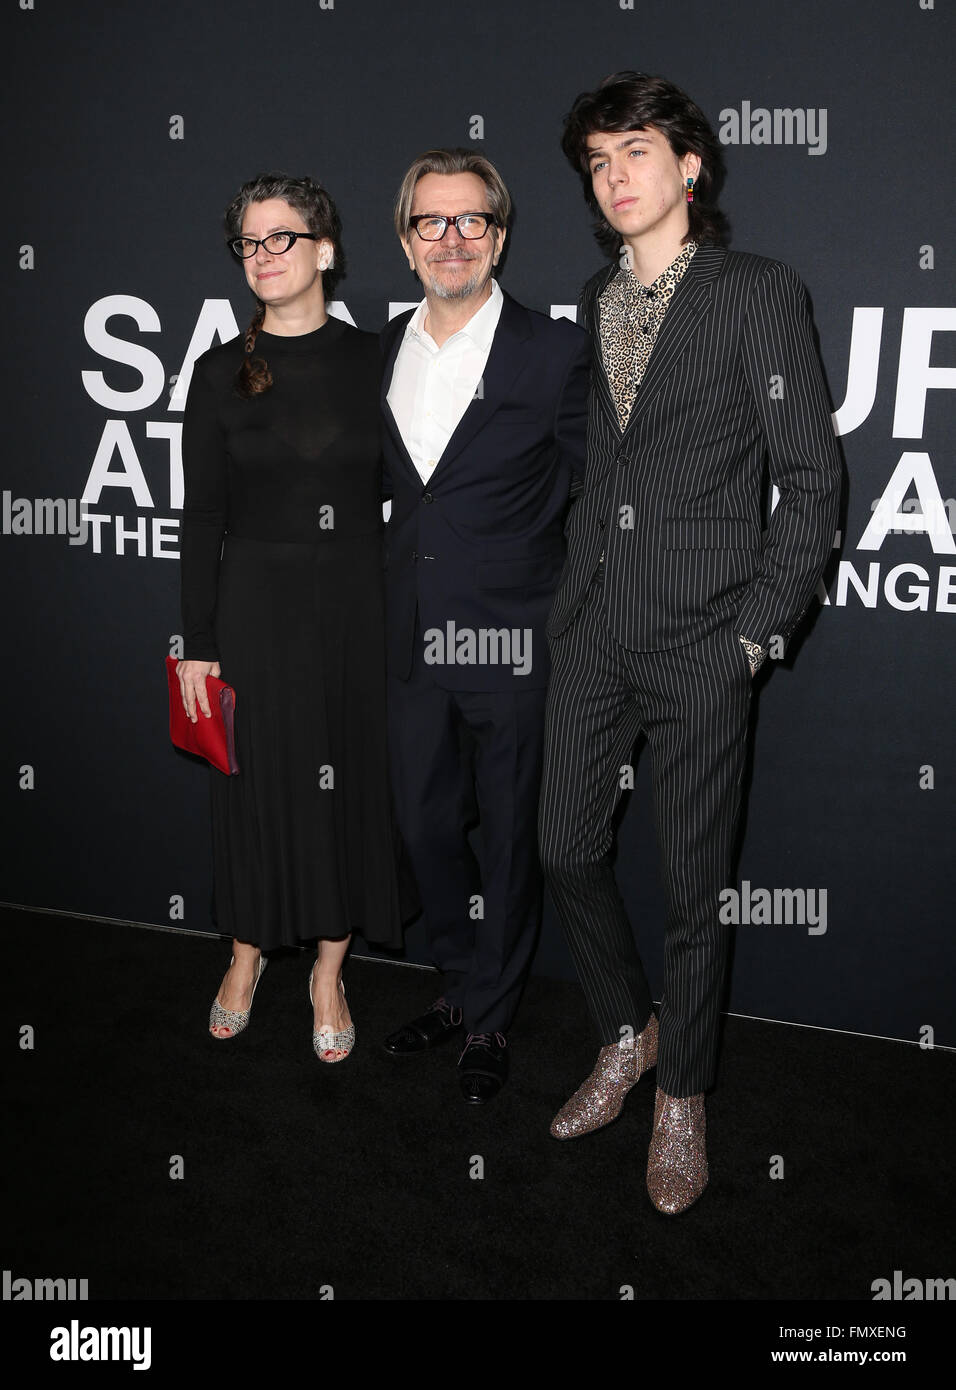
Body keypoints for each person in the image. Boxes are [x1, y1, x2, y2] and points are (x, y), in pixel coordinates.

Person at [539, 73, 842, 1210]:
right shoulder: (592, 296)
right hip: (593, 631)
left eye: (632, 153)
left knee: (691, 889)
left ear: (689, 166)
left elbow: (810, 482)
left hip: (704, 641)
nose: (613, 177)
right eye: (596, 162)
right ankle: (628, 1029)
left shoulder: (755, 292)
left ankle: (682, 1097)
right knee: (563, 847)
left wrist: (751, 637)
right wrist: (571, 600)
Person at [177, 172, 404, 1062]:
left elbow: (409, 491)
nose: (264, 256)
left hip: (354, 605)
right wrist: (197, 644)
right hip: (254, 611)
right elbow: (201, 518)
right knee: (253, 783)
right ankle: (245, 955)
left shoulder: (379, 361)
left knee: (345, 781)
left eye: (282, 238)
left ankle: (328, 968)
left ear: (325, 251)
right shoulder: (218, 372)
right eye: (250, 242)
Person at [380, 149, 590, 1103]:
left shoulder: (554, 349)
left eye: (472, 222)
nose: (452, 239)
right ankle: (458, 988)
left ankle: (493, 1020)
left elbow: (597, 491)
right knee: (425, 827)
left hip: (516, 638)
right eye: (432, 222)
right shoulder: (381, 346)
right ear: (406, 239)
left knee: (509, 837)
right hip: (410, 636)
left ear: (499, 237)